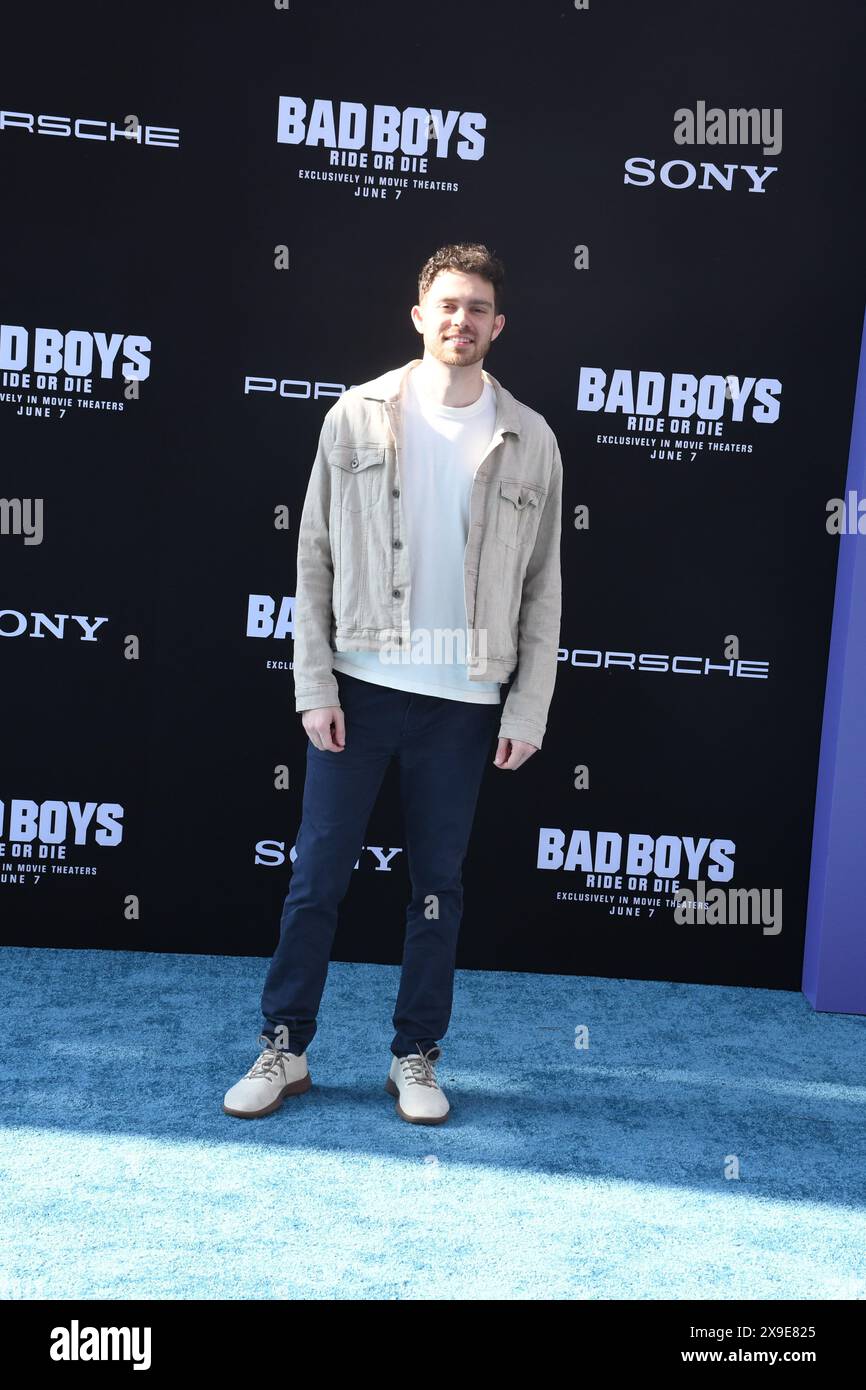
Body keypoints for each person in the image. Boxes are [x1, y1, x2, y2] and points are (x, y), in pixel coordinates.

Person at [224, 242, 563, 1124]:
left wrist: (527, 706)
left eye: (477, 307)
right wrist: (315, 685)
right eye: (447, 304)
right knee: (316, 879)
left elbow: (544, 587)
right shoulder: (356, 415)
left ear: (498, 324)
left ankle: (415, 1055)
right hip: (361, 687)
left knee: (437, 887)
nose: (462, 320)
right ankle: (285, 1047)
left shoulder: (530, 438)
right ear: (420, 316)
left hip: (465, 701)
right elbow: (315, 557)